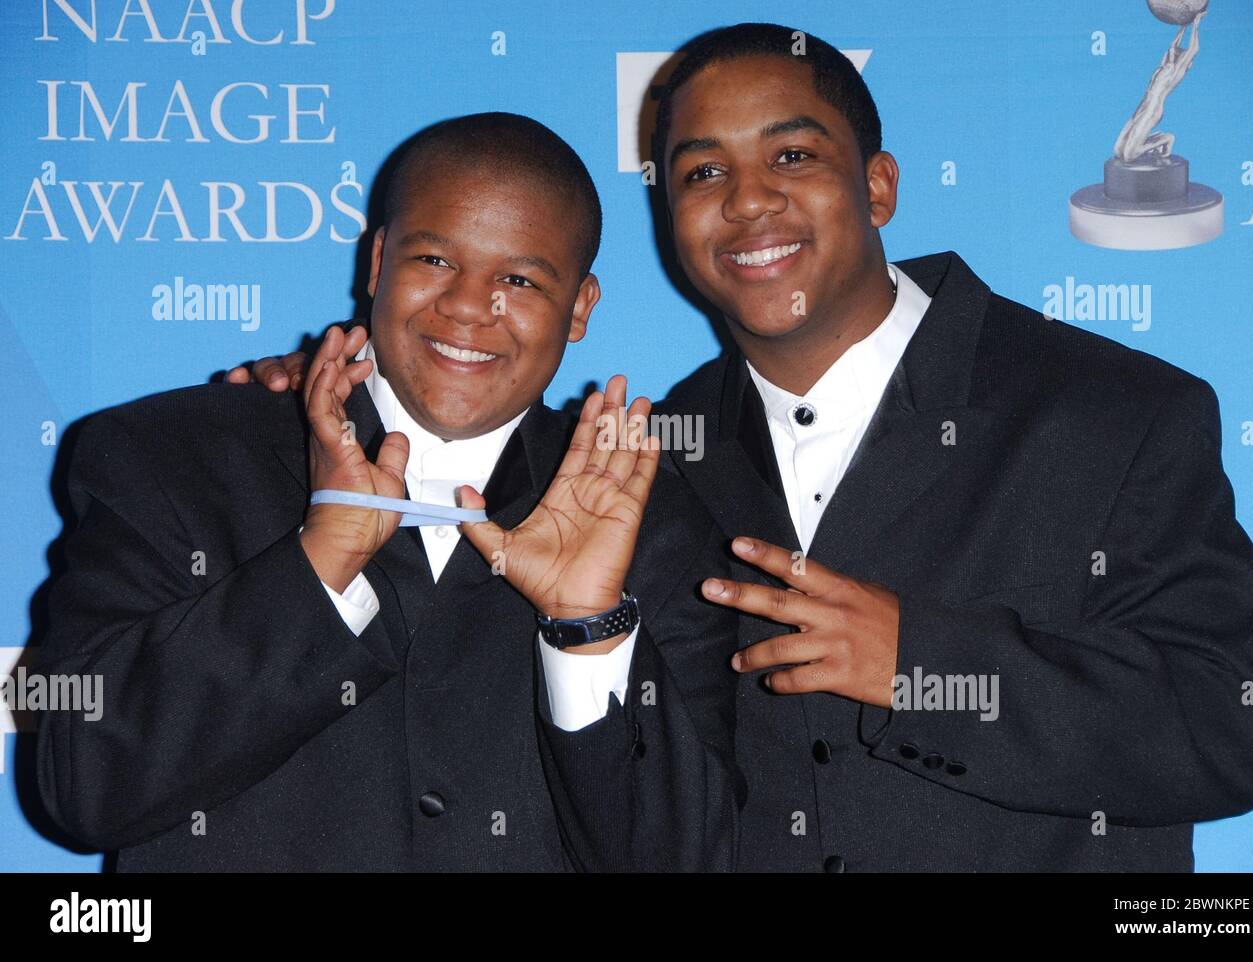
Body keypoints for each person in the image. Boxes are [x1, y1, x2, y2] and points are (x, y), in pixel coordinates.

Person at [227, 24, 1253, 872]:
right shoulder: (646, 455)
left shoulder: (1109, 410)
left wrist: (919, 665)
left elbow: (1226, 728)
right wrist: (299, 408)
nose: (746, 201)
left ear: (876, 186)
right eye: (699, 174)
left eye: (792, 154)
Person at [37, 113, 741, 872]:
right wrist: (317, 566)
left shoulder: (655, 517)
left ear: (579, 307)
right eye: (435, 258)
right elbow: (83, 786)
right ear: (377, 262)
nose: (470, 306)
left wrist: (588, 631)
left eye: (519, 279)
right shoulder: (174, 458)